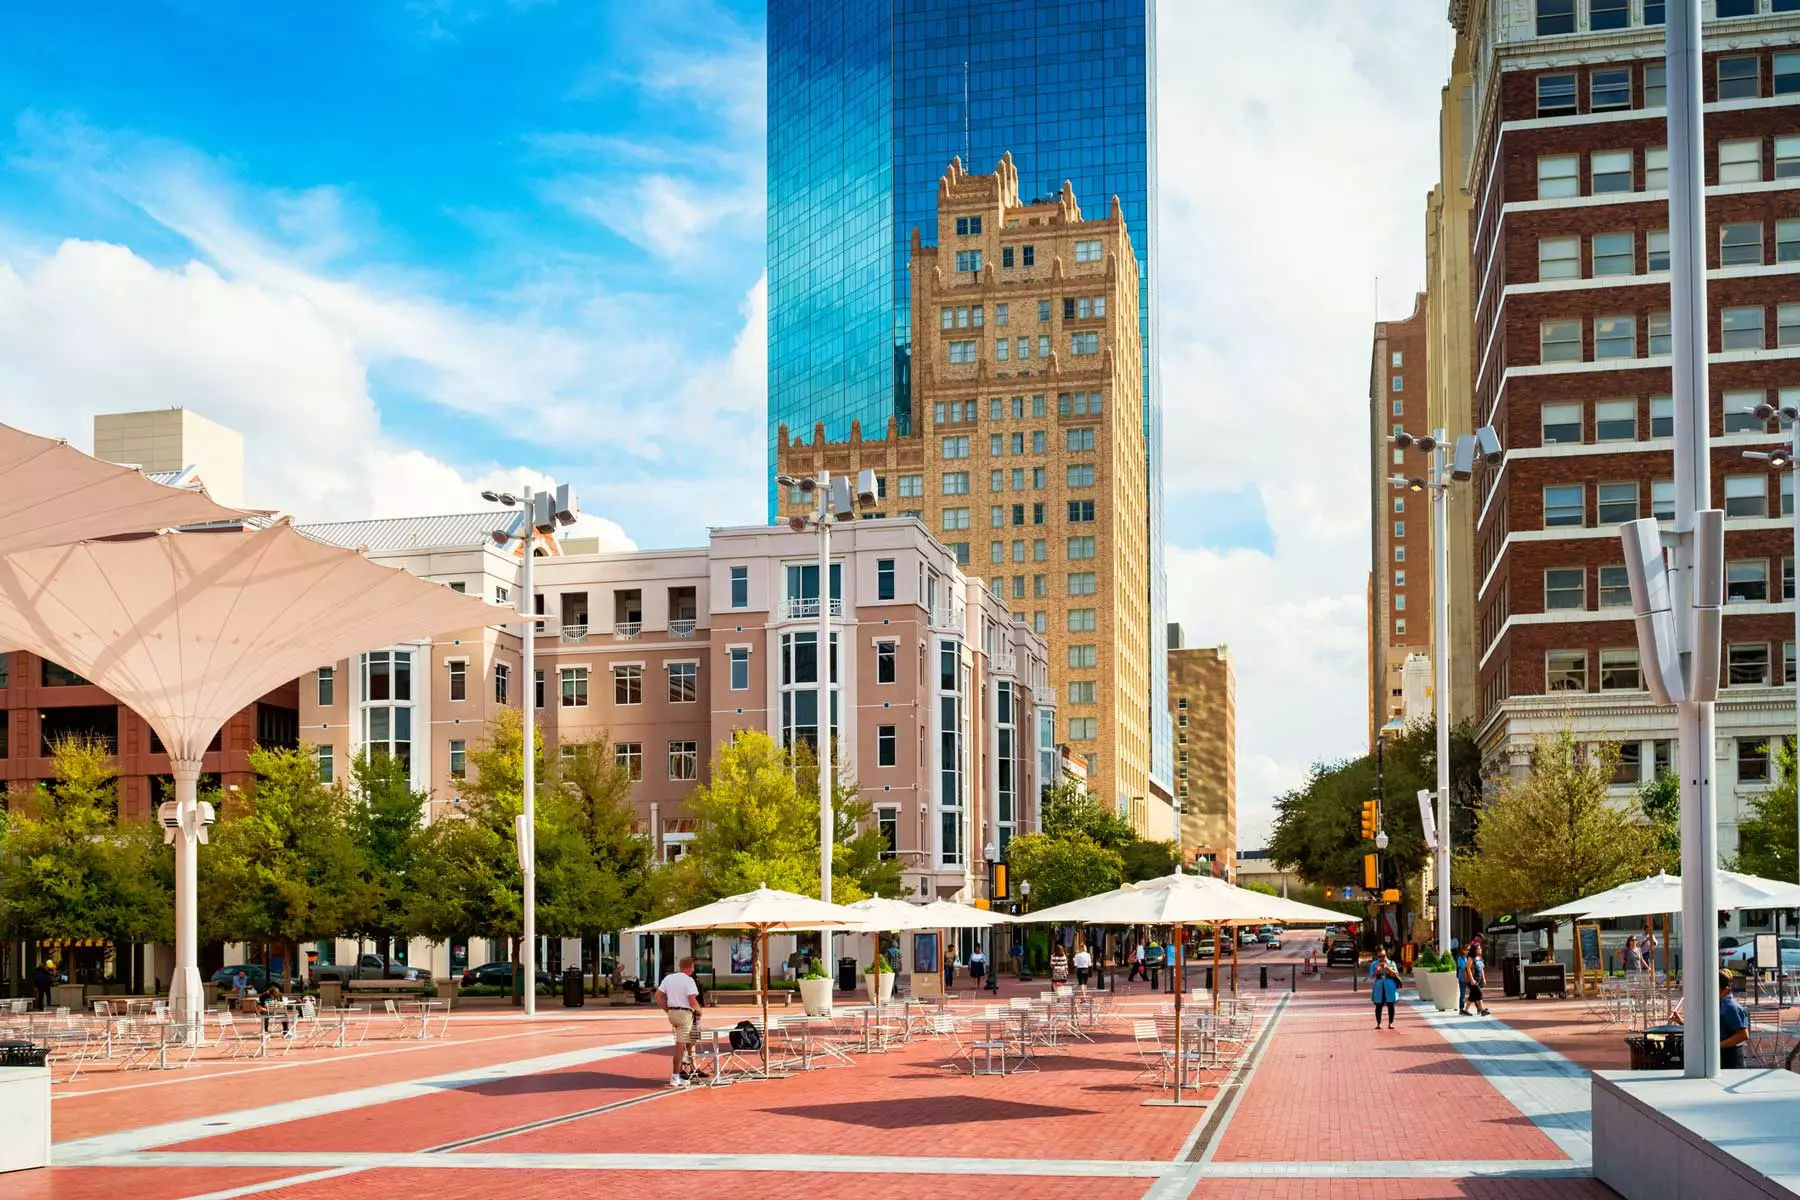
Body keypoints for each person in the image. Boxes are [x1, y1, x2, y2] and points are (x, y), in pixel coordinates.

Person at [655, 955, 704, 1088]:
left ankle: (683, 1072)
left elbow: (658, 996)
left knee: (682, 1043)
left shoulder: (669, 978)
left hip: (672, 1012)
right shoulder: (689, 981)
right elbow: (692, 1000)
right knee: (680, 1045)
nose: (693, 970)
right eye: (693, 967)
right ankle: (675, 1076)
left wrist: (667, 1009)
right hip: (685, 1013)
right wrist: (699, 1011)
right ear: (690, 967)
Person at [1368, 947, 1400, 1029]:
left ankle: (1391, 1023)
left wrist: (1387, 968)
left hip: (1389, 985)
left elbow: (1396, 974)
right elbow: (1371, 976)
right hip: (1379, 985)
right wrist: (1376, 970)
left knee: (1390, 1004)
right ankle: (1378, 1023)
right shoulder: (1374, 964)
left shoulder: (1391, 963)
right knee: (1378, 1005)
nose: (1382, 958)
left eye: (1383, 956)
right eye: (1380, 956)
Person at [1466, 940, 1491, 1016]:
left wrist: (1484, 978)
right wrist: (1472, 979)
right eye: (1479, 949)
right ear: (1475, 950)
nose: (1481, 950)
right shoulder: (1471, 958)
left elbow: (1481, 968)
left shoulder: (1479, 958)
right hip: (1472, 980)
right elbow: (1468, 968)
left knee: (1472, 996)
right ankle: (1482, 1010)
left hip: (1478, 979)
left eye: (1480, 948)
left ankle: (1465, 1010)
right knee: (1479, 994)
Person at [1452, 939, 1469, 1015]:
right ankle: (1461, 1009)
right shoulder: (1460, 958)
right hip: (1462, 978)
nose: (1468, 951)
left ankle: (1478, 1008)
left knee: (1474, 992)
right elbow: (1463, 968)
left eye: (1469, 950)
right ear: (1463, 950)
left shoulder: (1467, 958)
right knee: (1462, 994)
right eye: (1467, 950)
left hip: (1468, 978)